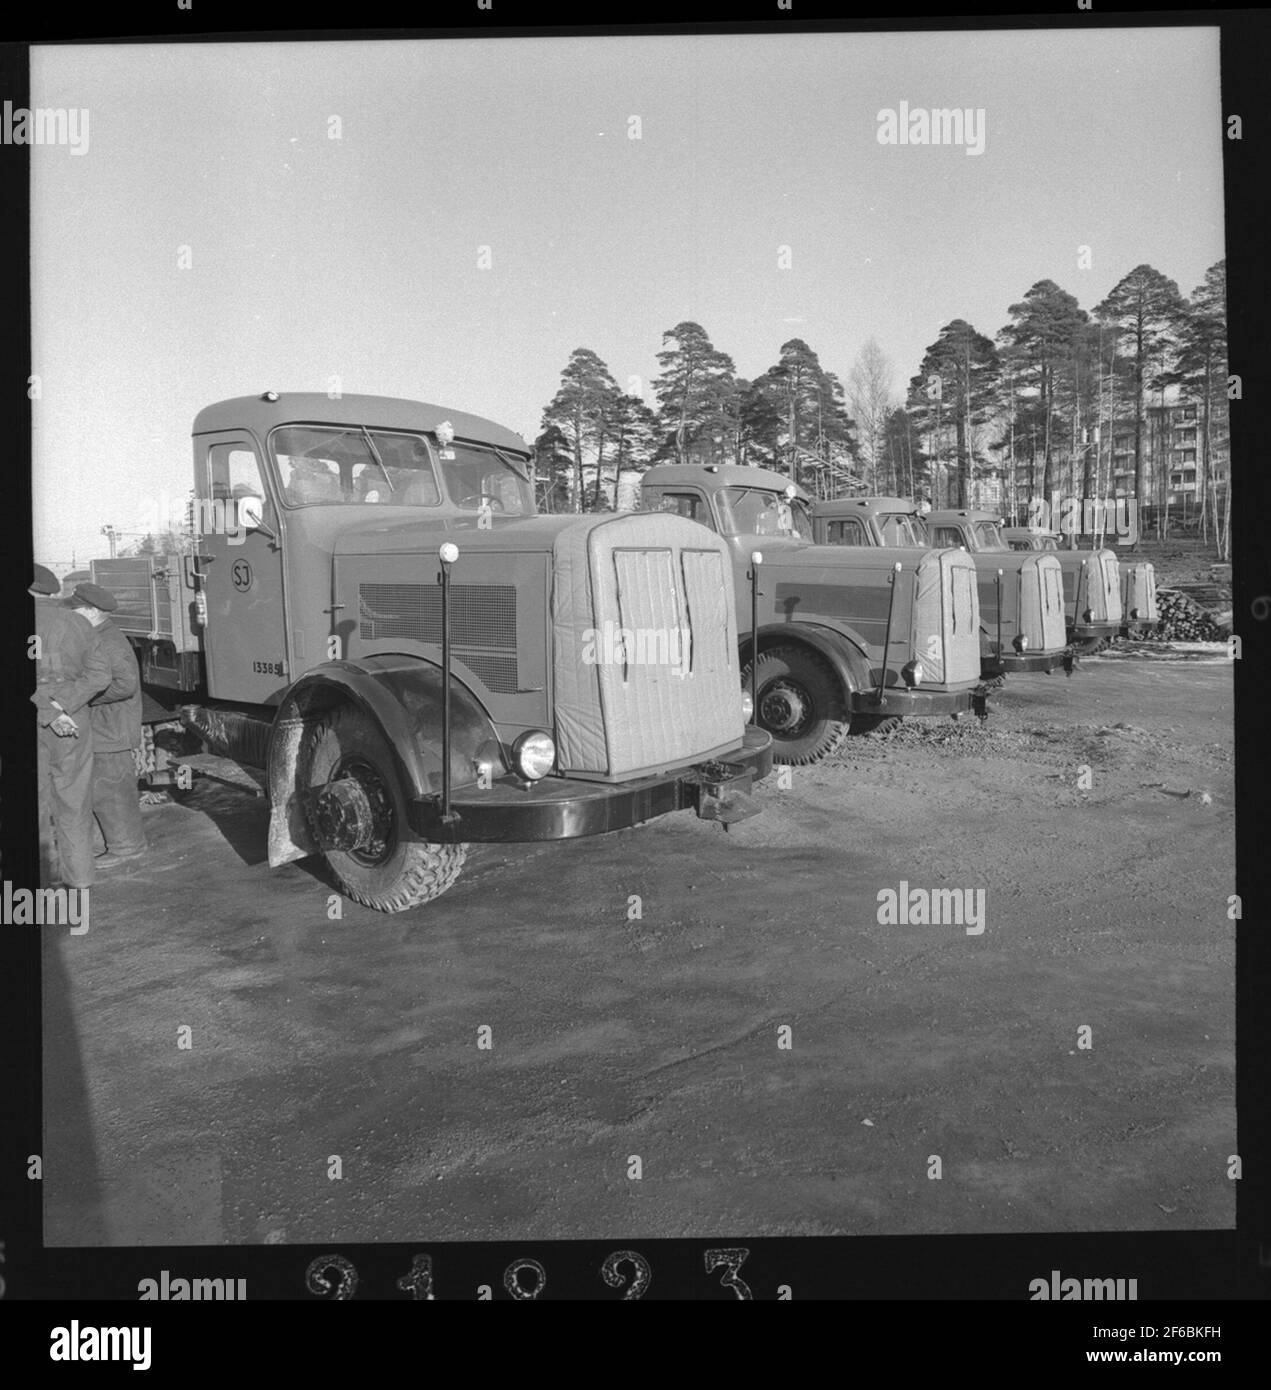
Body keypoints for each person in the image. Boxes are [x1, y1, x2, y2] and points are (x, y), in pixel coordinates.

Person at [30, 566, 112, 888]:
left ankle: (38, 881)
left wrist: (49, 710)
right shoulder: (78, 622)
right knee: (75, 801)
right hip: (73, 723)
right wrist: (63, 707)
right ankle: (80, 880)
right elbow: (101, 676)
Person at [69, 583, 146, 868]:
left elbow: (125, 684)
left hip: (113, 728)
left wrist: (85, 699)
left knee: (113, 789)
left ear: (92, 611)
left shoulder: (109, 641)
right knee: (99, 788)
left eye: (76, 609)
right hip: (103, 727)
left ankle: (127, 847)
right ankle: (105, 844)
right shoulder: (95, 635)